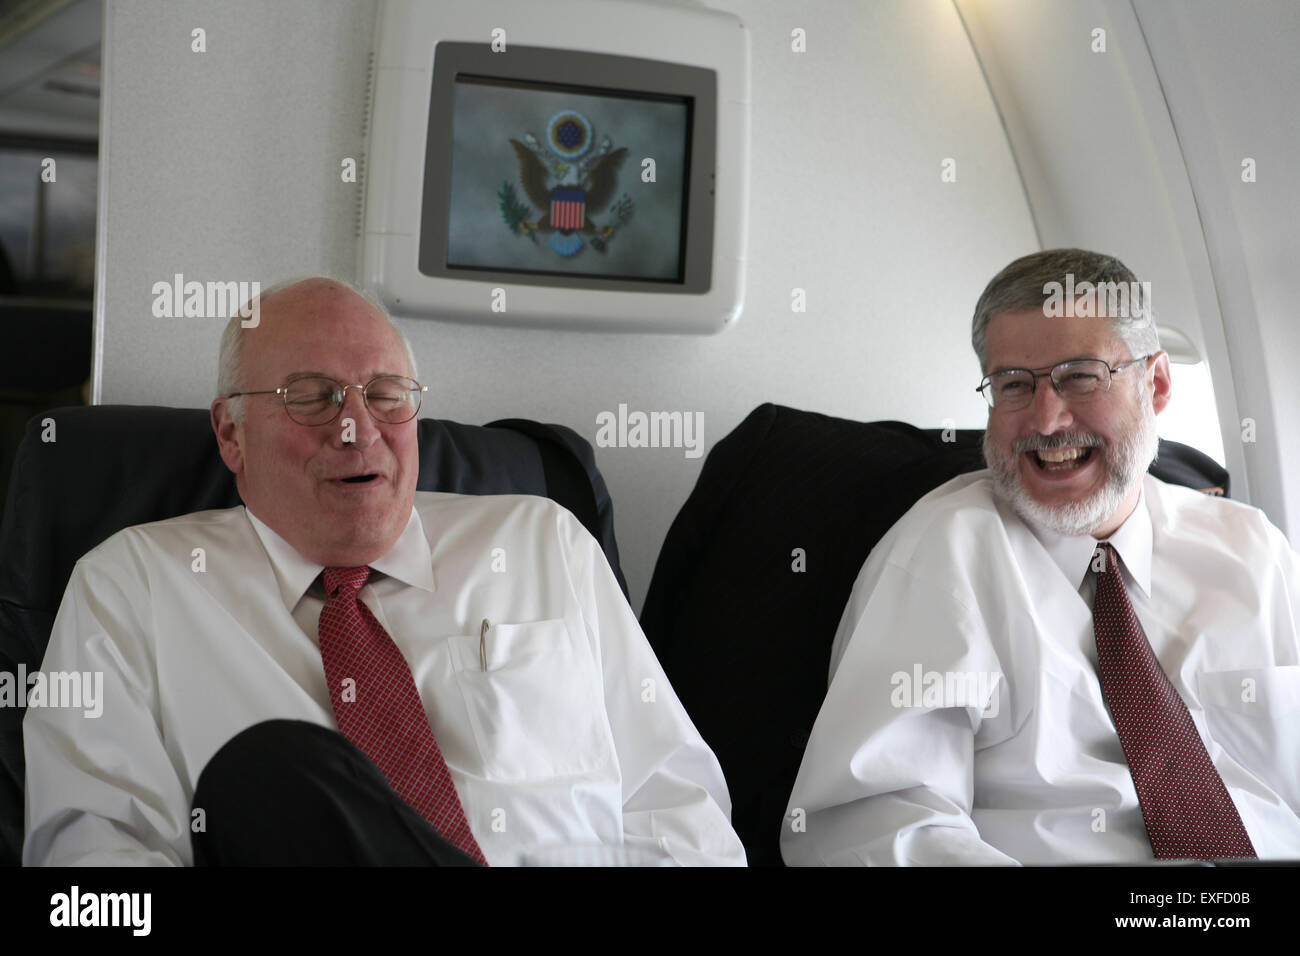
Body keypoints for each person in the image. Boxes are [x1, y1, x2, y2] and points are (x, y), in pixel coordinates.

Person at [23, 277, 745, 866]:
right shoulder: (132, 585)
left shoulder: (542, 541)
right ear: (230, 433)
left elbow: (681, 812)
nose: (356, 428)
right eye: (312, 396)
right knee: (271, 777)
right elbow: (90, 871)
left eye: (386, 395)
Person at [781, 248, 1300, 865]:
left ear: (1156, 385)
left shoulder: (1252, 550)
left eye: (1080, 376)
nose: (1047, 420)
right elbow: (877, 829)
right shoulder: (942, 556)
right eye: (1015, 385)